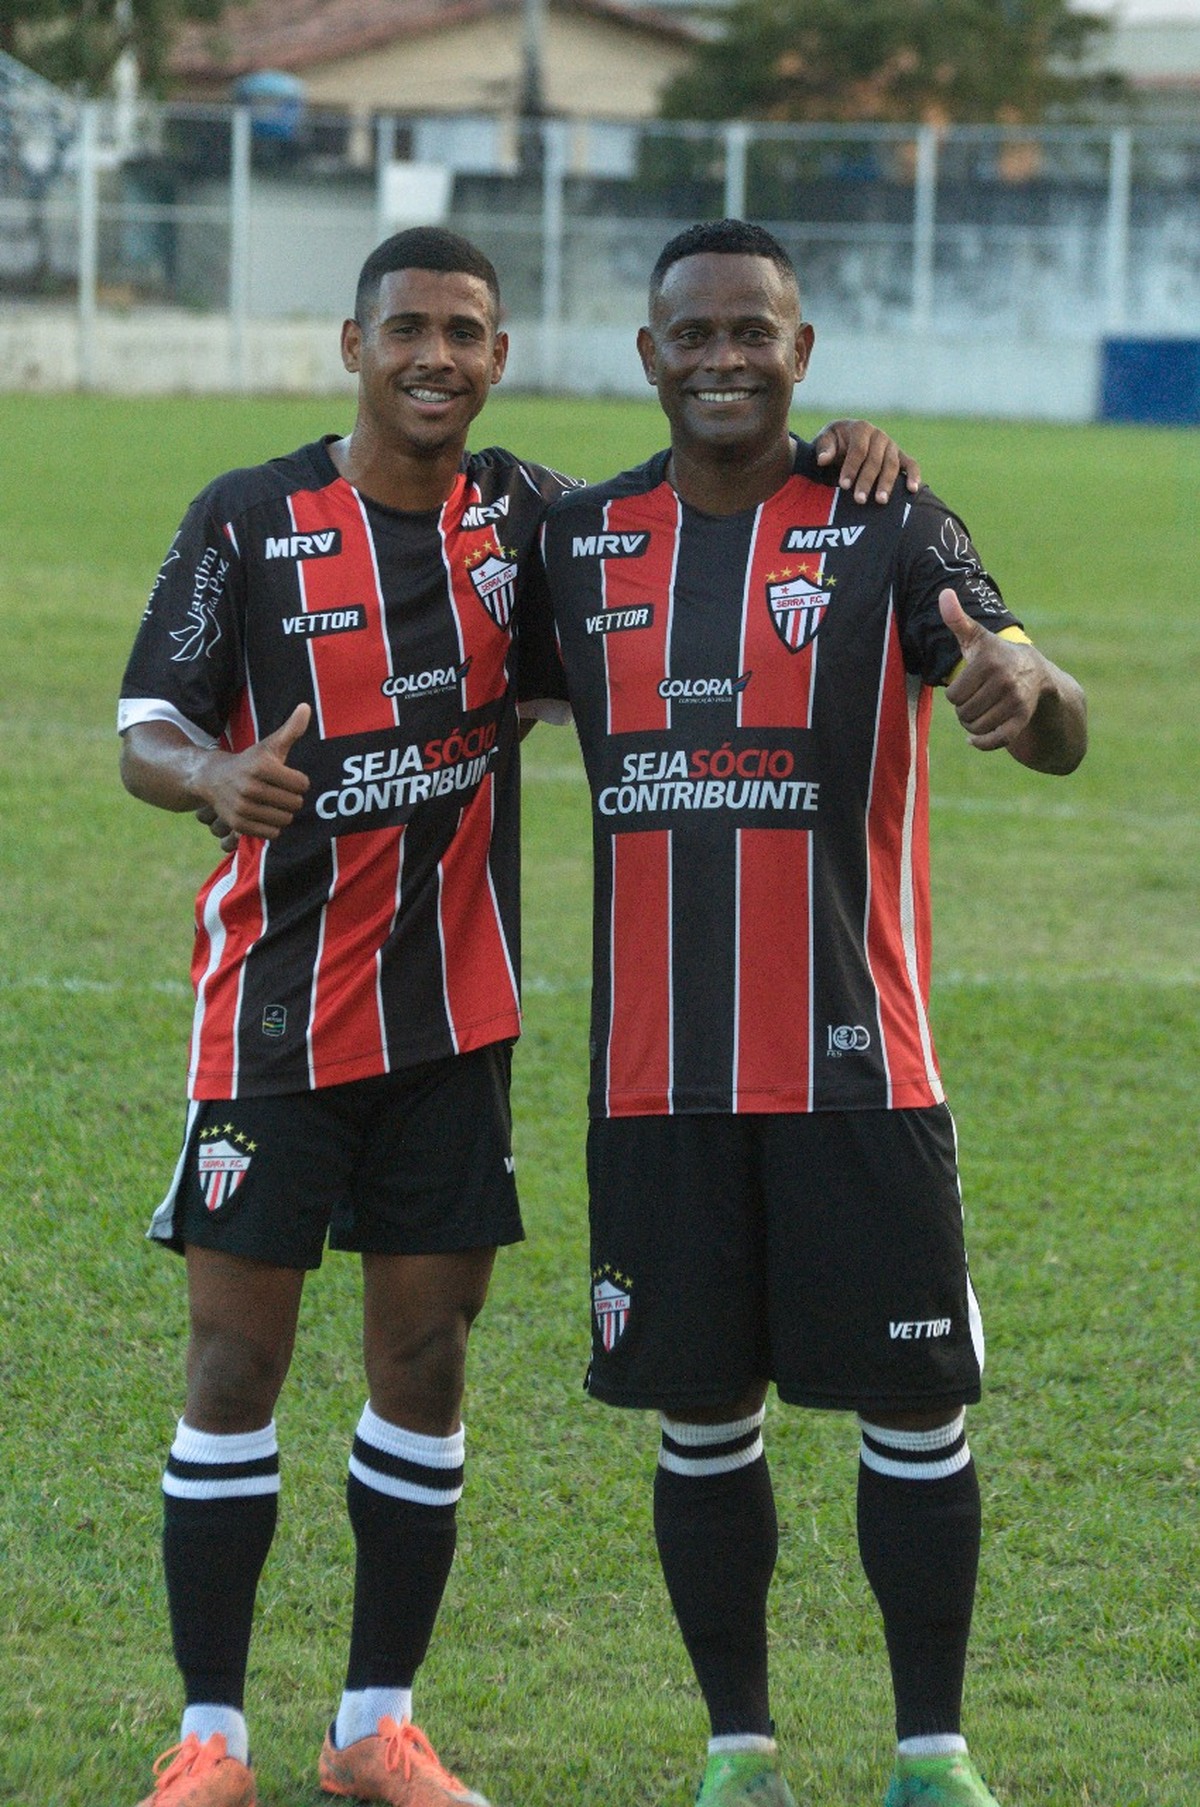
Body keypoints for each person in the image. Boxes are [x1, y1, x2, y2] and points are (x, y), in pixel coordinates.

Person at [117, 223, 920, 1807]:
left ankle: (375, 1727)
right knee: (232, 1364)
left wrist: (836, 458)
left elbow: (693, 533)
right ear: (354, 346)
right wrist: (211, 776)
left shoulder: (538, 523)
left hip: (454, 1027)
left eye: (467, 333)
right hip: (271, 1017)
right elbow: (145, 721)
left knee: (425, 1357)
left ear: (497, 357)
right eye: (407, 327)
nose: (436, 356)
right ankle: (209, 1738)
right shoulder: (250, 520)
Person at [533, 220, 1087, 1807]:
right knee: (700, 1412)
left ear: (803, 351)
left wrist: (1029, 693)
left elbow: (1046, 705)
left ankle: (932, 1756)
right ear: (649, 356)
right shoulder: (575, 543)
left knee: (915, 1403)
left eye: (753, 332)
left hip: (862, 1065)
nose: (723, 357)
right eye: (693, 333)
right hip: (659, 1076)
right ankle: (737, 1755)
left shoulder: (887, 523)